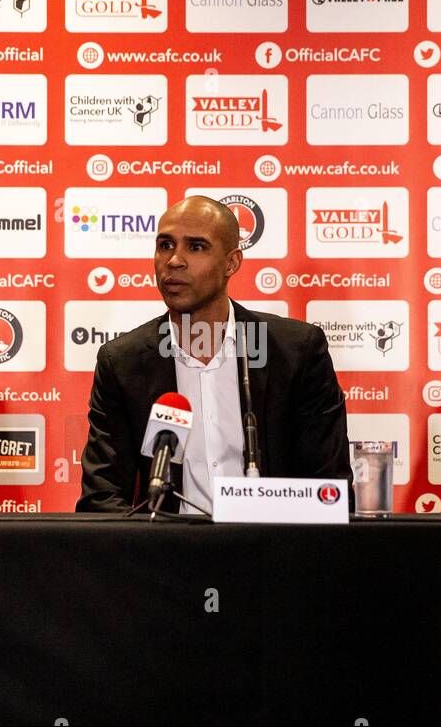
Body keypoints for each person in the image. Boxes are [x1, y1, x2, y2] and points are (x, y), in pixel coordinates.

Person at [76, 195, 351, 513]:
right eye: (165, 245)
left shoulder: (295, 352)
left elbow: (330, 489)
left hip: (272, 551)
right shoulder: (123, 363)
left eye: (196, 247)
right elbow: (100, 498)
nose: (175, 260)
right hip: (169, 554)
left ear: (232, 263)